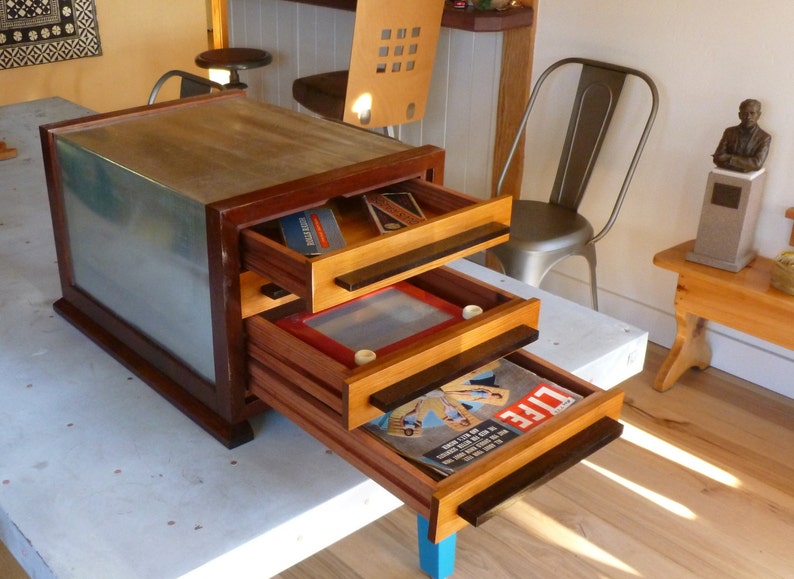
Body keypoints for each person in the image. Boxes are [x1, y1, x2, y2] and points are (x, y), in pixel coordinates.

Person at [712, 99, 771, 172]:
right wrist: (744, 166)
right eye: (745, 113)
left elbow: (757, 164)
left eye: (752, 113)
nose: (748, 117)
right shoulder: (729, 132)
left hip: (748, 178)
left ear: (759, 115)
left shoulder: (764, 137)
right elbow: (717, 158)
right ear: (739, 115)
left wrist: (730, 158)